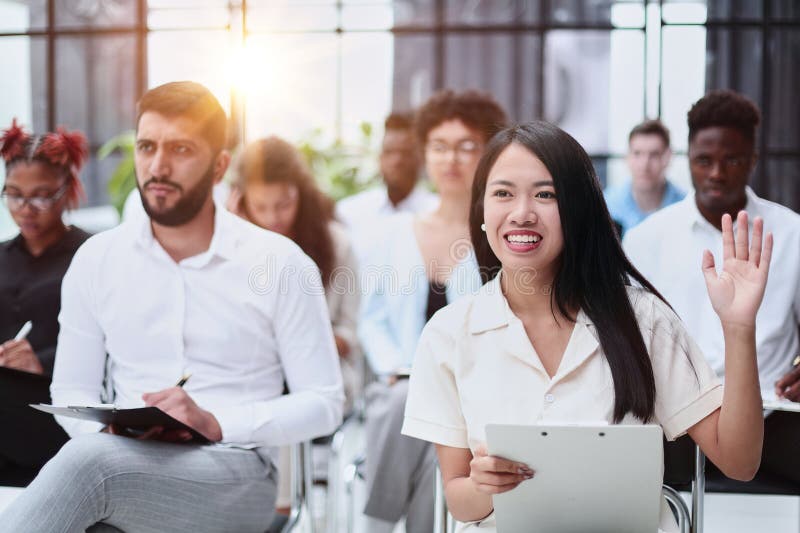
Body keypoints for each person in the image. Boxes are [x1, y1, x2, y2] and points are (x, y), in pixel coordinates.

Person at [0, 81, 343, 532]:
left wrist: (215, 421)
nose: (158, 166)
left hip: (238, 472)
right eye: (146, 146)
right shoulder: (98, 260)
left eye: (180, 149)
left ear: (219, 166)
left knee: (89, 467)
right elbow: (71, 391)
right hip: (122, 463)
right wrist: (106, 433)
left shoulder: (279, 263)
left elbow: (325, 403)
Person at [402, 121, 769, 532]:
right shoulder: (448, 333)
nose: (522, 213)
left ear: (577, 210)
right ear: (483, 212)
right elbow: (460, 501)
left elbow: (739, 462)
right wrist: (483, 485)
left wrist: (739, 328)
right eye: (503, 193)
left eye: (546, 194)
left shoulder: (644, 320)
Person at [624, 90, 800, 486]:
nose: (717, 173)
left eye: (732, 160)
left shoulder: (792, 233)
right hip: (676, 422)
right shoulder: (645, 239)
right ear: (689, 159)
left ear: (752, 161)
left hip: (774, 416)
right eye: (704, 160)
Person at [359, 89, 507, 533]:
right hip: (400, 380)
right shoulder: (392, 234)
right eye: (439, 147)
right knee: (409, 403)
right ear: (425, 153)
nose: (451, 160)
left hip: (474, 389)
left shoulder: (498, 235)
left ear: (487, 154)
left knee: (429, 417)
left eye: (466, 147)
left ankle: (375, 525)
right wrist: (392, 366)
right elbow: (372, 318)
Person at [227, 136, 361, 529]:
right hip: (249, 375)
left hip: (316, 378)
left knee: (283, 400)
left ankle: (277, 514)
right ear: (242, 200)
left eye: (283, 204)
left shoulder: (336, 244)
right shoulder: (231, 247)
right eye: (260, 206)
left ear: (301, 194)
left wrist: (309, 340)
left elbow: (350, 333)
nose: (273, 218)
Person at [0, 120, 91, 485]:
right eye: (13, 194)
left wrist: (43, 362)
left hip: (56, 412)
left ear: (66, 190)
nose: (26, 208)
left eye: (40, 196)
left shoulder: (91, 256)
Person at [336, 112, 437, 262]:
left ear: (420, 159)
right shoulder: (349, 212)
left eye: (406, 152)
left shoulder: (435, 211)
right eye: (389, 152)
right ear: (380, 158)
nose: (397, 161)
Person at [604, 119, 684, 235]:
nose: (644, 164)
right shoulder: (608, 204)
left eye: (654, 155)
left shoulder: (683, 205)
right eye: (637, 153)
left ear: (668, 157)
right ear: (627, 157)